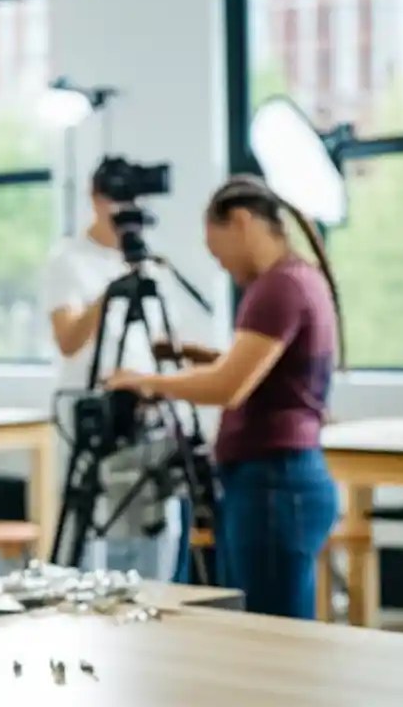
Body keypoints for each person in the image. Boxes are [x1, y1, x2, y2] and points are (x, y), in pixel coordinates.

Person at [105, 174, 343, 619]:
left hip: (273, 482)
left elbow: (229, 386)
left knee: (271, 637)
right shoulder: (299, 278)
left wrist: (148, 381)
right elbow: (270, 370)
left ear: (240, 222)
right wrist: (193, 356)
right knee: (273, 631)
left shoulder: (277, 287)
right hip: (283, 478)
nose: (221, 266)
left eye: (217, 250)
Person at [40, 159, 184, 580]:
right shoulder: (68, 259)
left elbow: (163, 342)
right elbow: (67, 340)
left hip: (148, 408)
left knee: (158, 521)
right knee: (97, 528)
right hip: (94, 409)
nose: (123, 207)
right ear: (94, 198)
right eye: (115, 197)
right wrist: (111, 294)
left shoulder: (150, 263)